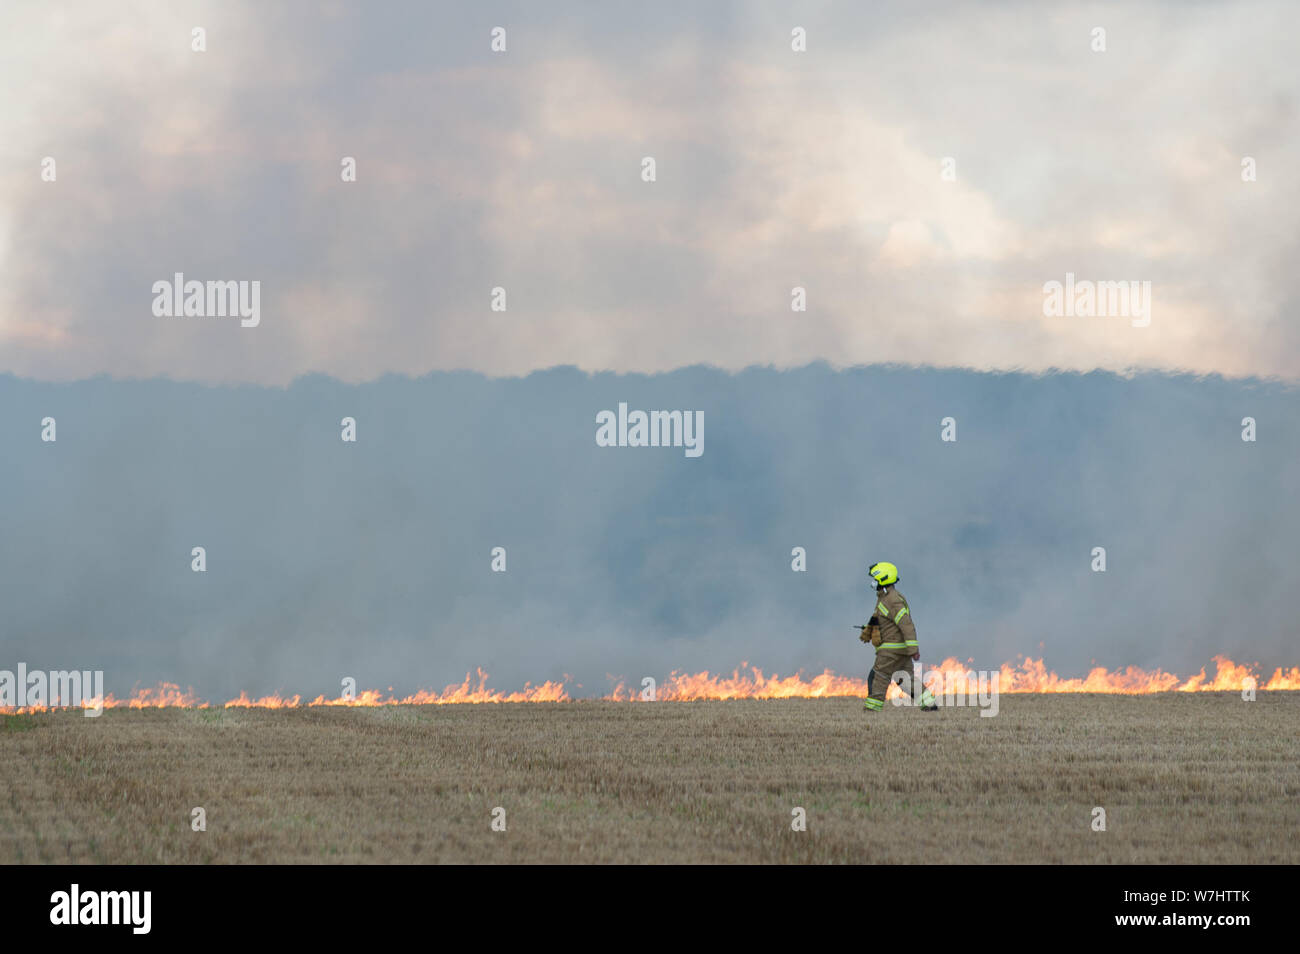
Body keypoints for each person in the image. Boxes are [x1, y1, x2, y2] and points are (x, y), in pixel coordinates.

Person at [859, 561, 935, 712]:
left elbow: (906, 624)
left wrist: (914, 648)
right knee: (906, 680)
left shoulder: (892, 600)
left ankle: (872, 710)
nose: (872, 582)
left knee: (877, 677)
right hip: (900, 650)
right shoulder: (886, 598)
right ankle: (929, 704)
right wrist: (868, 631)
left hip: (890, 650)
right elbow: (879, 620)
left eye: (875, 579)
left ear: (883, 579)